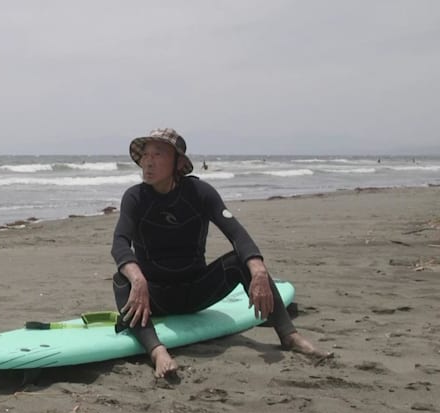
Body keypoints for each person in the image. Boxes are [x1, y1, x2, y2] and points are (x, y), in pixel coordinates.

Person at [111, 128, 330, 378]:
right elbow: (119, 242)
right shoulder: (135, 197)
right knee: (122, 279)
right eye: (145, 155)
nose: (148, 161)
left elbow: (237, 233)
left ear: (178, 162)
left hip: (197, 291)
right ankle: (157, 351)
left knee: (244, 262)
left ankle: (290, 336)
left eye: (158, 154)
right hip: (154, 298)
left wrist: (258, 270)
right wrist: (138, 278)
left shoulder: (200, 193)